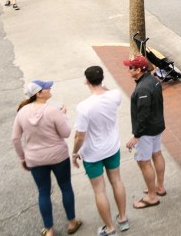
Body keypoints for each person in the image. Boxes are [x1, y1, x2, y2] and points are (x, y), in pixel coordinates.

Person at [12, 80, 82, 236]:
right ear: (39, 93)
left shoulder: (22, 112)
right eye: (46, 88)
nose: (49, 88)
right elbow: (66, 133)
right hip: (58, 156)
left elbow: (15, 139)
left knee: (43, 192)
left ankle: (49, 229)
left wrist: (23, 158)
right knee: (65, 187)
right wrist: (63, 116)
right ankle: (71, 222)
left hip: (35, 159)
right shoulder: (53, 111)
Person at [72, 66, 129, 236]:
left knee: (99, 190)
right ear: (102, 79)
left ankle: (110, 228)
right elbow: (109, 92)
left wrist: (75, 153)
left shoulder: (84, 107)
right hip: (112, 148)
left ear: (86, 81)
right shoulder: (115, 95)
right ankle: (123, 218)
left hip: (92, 154)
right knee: (117, 181)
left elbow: (79, 137)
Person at [123, 55, 167, 209]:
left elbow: (143, 114)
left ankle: (152, 196)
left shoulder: (142, 88)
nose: (128, 70)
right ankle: (159, 187)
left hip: (147, 131)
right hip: (158, 126)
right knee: (157, 154)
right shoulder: (153, 80)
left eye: (131, 68)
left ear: (139, 70)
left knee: (144, 162)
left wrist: (136, 136)